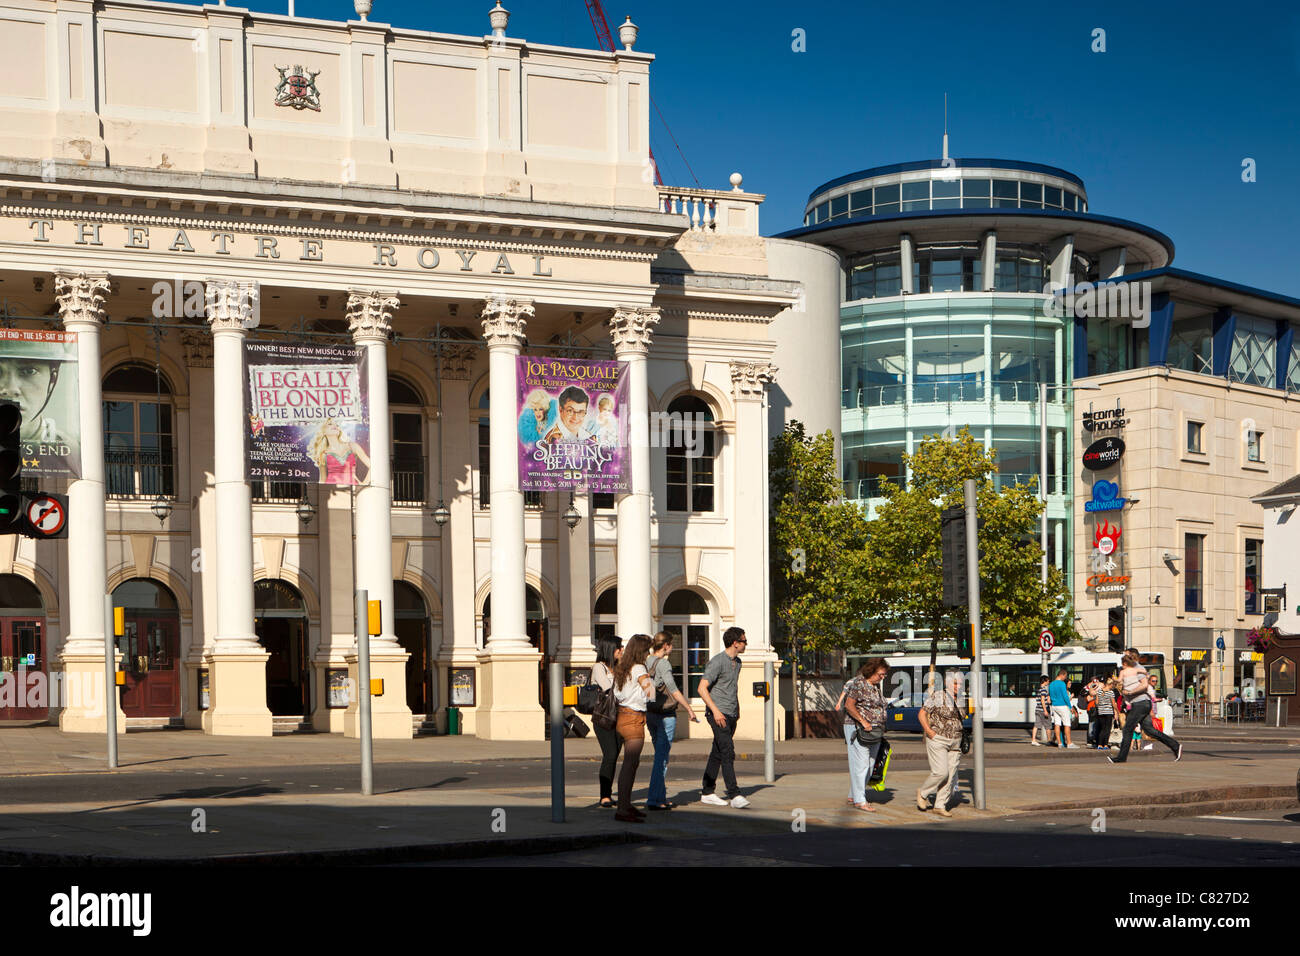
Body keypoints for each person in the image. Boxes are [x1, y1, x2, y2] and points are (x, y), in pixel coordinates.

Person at [643, 631, 700, 810]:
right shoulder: (664, 663)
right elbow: (673, 689)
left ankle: (660, 797)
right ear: (666, 645)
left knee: (659, 756)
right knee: (662, 759)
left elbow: (647, 691)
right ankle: (654, 799)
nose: (673, 647)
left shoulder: (646, 661)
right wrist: (689, 708)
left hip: (650, 713)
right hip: (665, 715)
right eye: (672, 644)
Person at [698, 626, 750, 808]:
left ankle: (707, 791)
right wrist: (716, 711)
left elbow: (730, 688)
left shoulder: (738, 663)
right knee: (728, 751)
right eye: (744, 641)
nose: (746, 644)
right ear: (735, 643)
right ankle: (735, 795)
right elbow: (701, 688)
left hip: (731, 713)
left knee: (717, 753)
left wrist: (736, 711)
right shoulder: (717, 662)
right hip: (717, 714)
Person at [611, 633, 656, 822]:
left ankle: (626, 804)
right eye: (647, 650)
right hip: (634, 719)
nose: (648, 654)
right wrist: (652, 682)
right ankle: (622, 809)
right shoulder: (638, 668)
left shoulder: (622, 667)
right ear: (641, 651)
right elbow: (650, 692)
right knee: (630, 765)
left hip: (622, 716)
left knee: (631, 764)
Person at [1109, 650, 1181, 764]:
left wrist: (1130, 692)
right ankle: (1175, 745)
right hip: (1141, 703)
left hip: (1140, 703)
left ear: (1132, 656)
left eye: (1126, 654)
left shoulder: (1137, 668)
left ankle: (1121, 758)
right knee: (1150, 730)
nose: (1124, 657)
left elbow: (1144, 685)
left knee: (1128, 729)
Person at [842, 656, 889, 812]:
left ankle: (853, 794)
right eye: (880, 674)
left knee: (869, 764)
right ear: (872, 671)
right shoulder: (859, 684)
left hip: (874, 731)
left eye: (884, 675)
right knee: (861, 764)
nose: (882, 677)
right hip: (859, 729)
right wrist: (863, 721)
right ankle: (860, 800)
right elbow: (849, 705)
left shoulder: (875, 686)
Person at [917, 671, 965, 817]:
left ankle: (939, 805)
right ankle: (923, 792)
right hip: (939, 739)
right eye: (955, 683)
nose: (958, 686)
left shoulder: (961, 698)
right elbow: (922, 714)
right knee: (941, 772)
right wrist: (929, 731)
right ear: (947, 683)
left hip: (956, 741)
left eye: (961, 683)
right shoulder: (938, 695)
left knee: (950, 776)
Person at [590, 634, 623, 808]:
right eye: (619, 648)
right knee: (609, 754)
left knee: (614, 755)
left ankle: (608, 793)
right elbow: (609, 688)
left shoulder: (619, 667)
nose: (622, 650)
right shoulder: (599, 667)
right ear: (611, 649)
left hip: (620, 716)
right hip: (604, 717)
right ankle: (605, 796)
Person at [307, 418, 371, 485]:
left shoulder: (352, 446)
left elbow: (372, 466)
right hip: (332, 491)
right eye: (330, 424)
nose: (335, 426)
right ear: (323, 431)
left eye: (337, 425)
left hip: (352, 489)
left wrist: (364, 484)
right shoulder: (323, 454)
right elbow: (322, 480)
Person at [1048, 668, 1077, 748]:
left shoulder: (1051, 684)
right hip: (1062, 706)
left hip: (1054, 706)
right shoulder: (1062, 684)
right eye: (1065, 676)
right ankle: (1069, 743)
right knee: (1067, 724)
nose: (1065, 678)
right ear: (1062, 675)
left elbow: (1050, 695)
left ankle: (1060, 743)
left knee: (1057, 724)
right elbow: (1065, 696)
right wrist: (1070, 707)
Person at [1091, 676, 1117, 750]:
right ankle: (1105, 745)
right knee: (1107, 729)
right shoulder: (1111, 692)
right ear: (1110, 684)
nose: (1113, 686)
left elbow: (1096, 702)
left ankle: (1099, 744)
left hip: (1101, 712)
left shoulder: (1099, 691)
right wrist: (1117, 711)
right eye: (1113, 685)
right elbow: (1113, 704)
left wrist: (1101, 707)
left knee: (1102, 729)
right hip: (1108, 712)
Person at [1032, 674, 1052, 746]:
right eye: (1048, 680)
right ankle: (1049, 740)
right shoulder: (1043, 690)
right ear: (1045, 681)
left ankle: (1033, 740)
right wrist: (1045, 710)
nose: (1049, 681)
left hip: (1037, 709)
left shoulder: (1038, 689)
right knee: (1048, 726)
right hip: (1043, 710)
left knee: (1036, 725)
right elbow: (1043, 700)